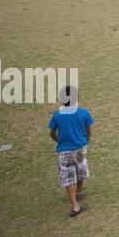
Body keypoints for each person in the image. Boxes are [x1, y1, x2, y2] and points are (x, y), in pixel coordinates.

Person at [48, 85, 93, 218]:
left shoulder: (57, 115)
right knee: (80, 169)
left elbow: (52, 133)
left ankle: (74, 205)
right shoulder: (84, 113)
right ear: (76, 98)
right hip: (80, 147)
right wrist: (86, 141)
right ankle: (79, 192)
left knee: (68, 176)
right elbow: (88, 130)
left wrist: (59, 142)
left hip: (64, 150)